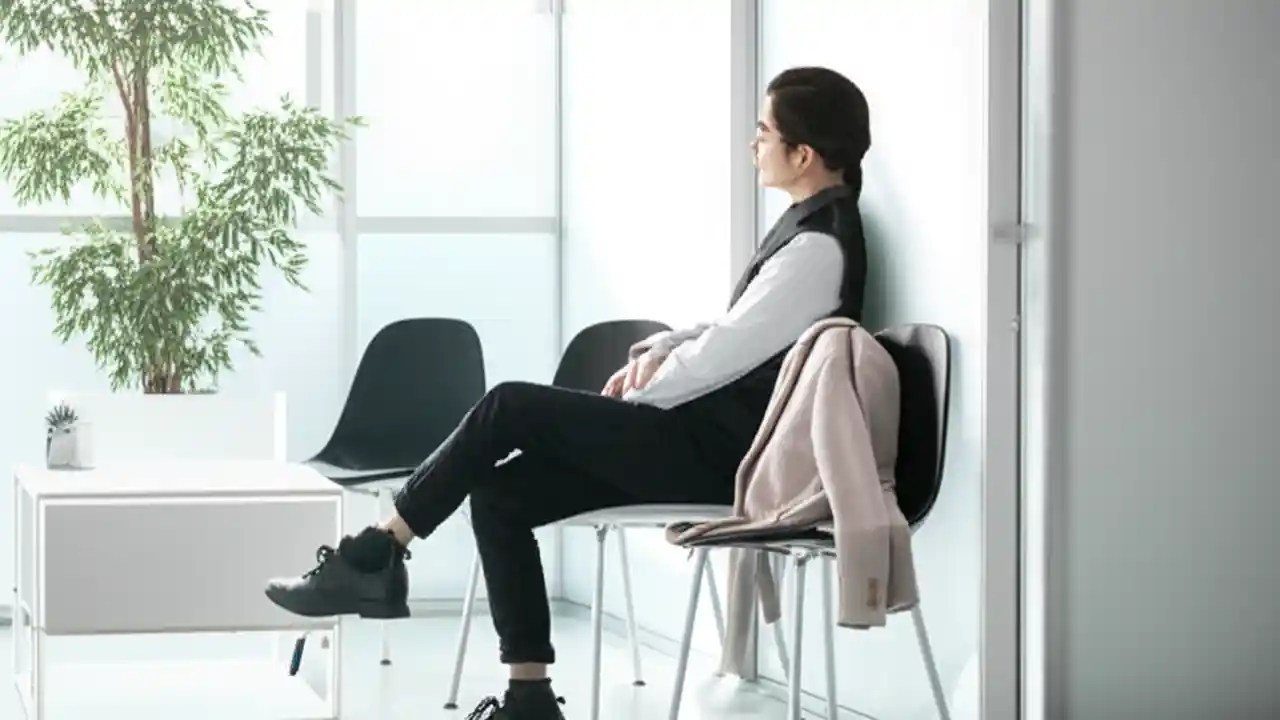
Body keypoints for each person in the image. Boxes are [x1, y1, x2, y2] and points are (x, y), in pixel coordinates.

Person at [265, 66, 872, 720]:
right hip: (701, 437)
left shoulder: (818, 248)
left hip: (720, 453)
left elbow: (724, 356)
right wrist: (663, 346)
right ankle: (528, 697)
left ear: (803, 154)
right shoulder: (808, 231)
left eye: (763, 132)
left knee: (510, 406)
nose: (752, 145)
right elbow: (734, 328)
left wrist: (624, 408)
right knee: (500, 494)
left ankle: (377, 552)